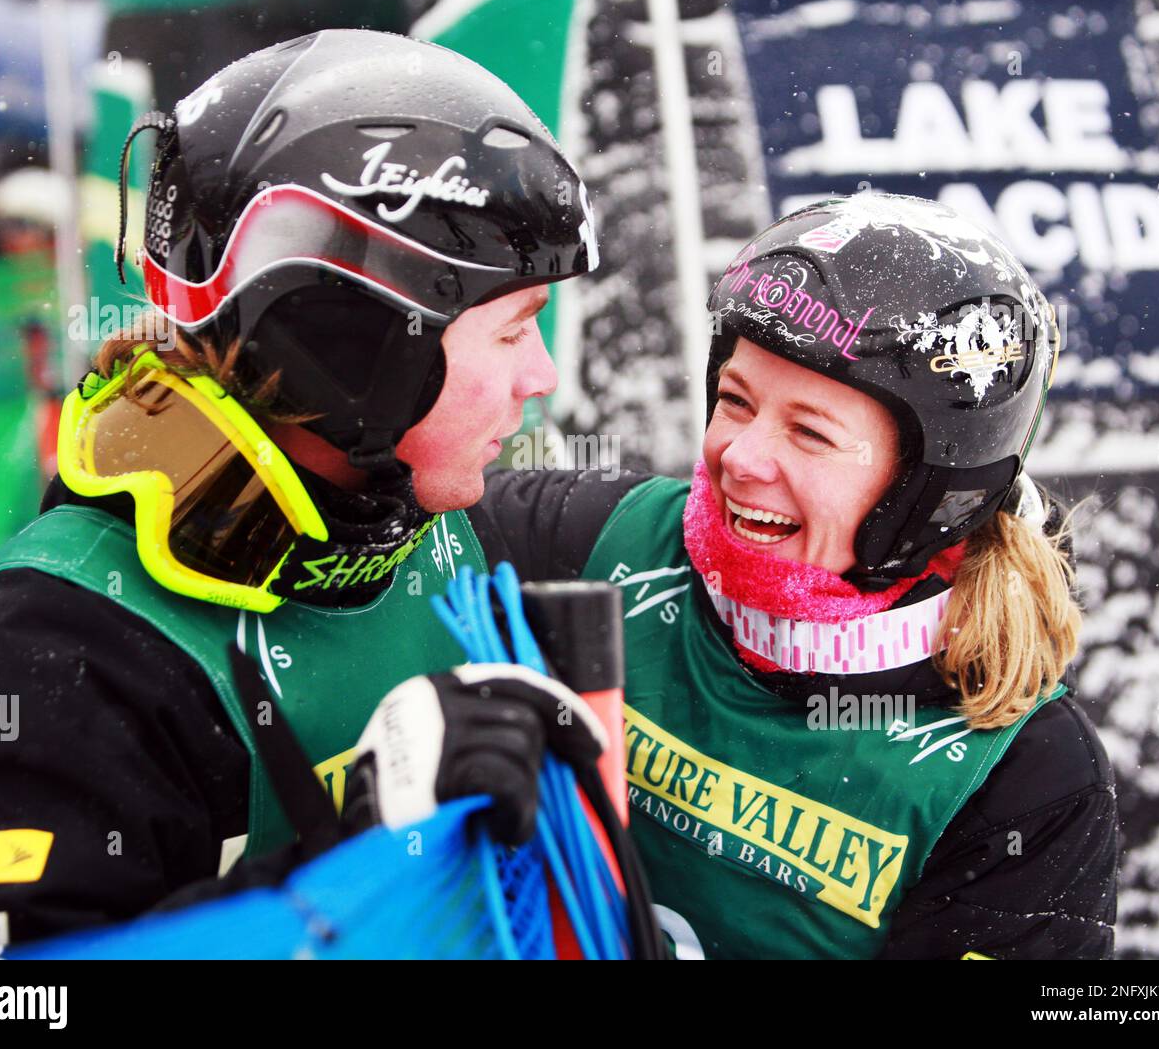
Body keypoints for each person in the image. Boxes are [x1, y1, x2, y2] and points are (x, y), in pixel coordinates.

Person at [0, 29, 604, 956]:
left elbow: (695, 543)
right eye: (516, 328)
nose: (544, 376)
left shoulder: (444, 525)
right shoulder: (51, 653)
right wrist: (356, 858)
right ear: (359, 343)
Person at [469, 193, 1121, 959]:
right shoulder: (597, 539)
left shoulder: (1029, 781)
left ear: (929, 487)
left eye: (810, 433)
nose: (741, 457)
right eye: (734, 401)